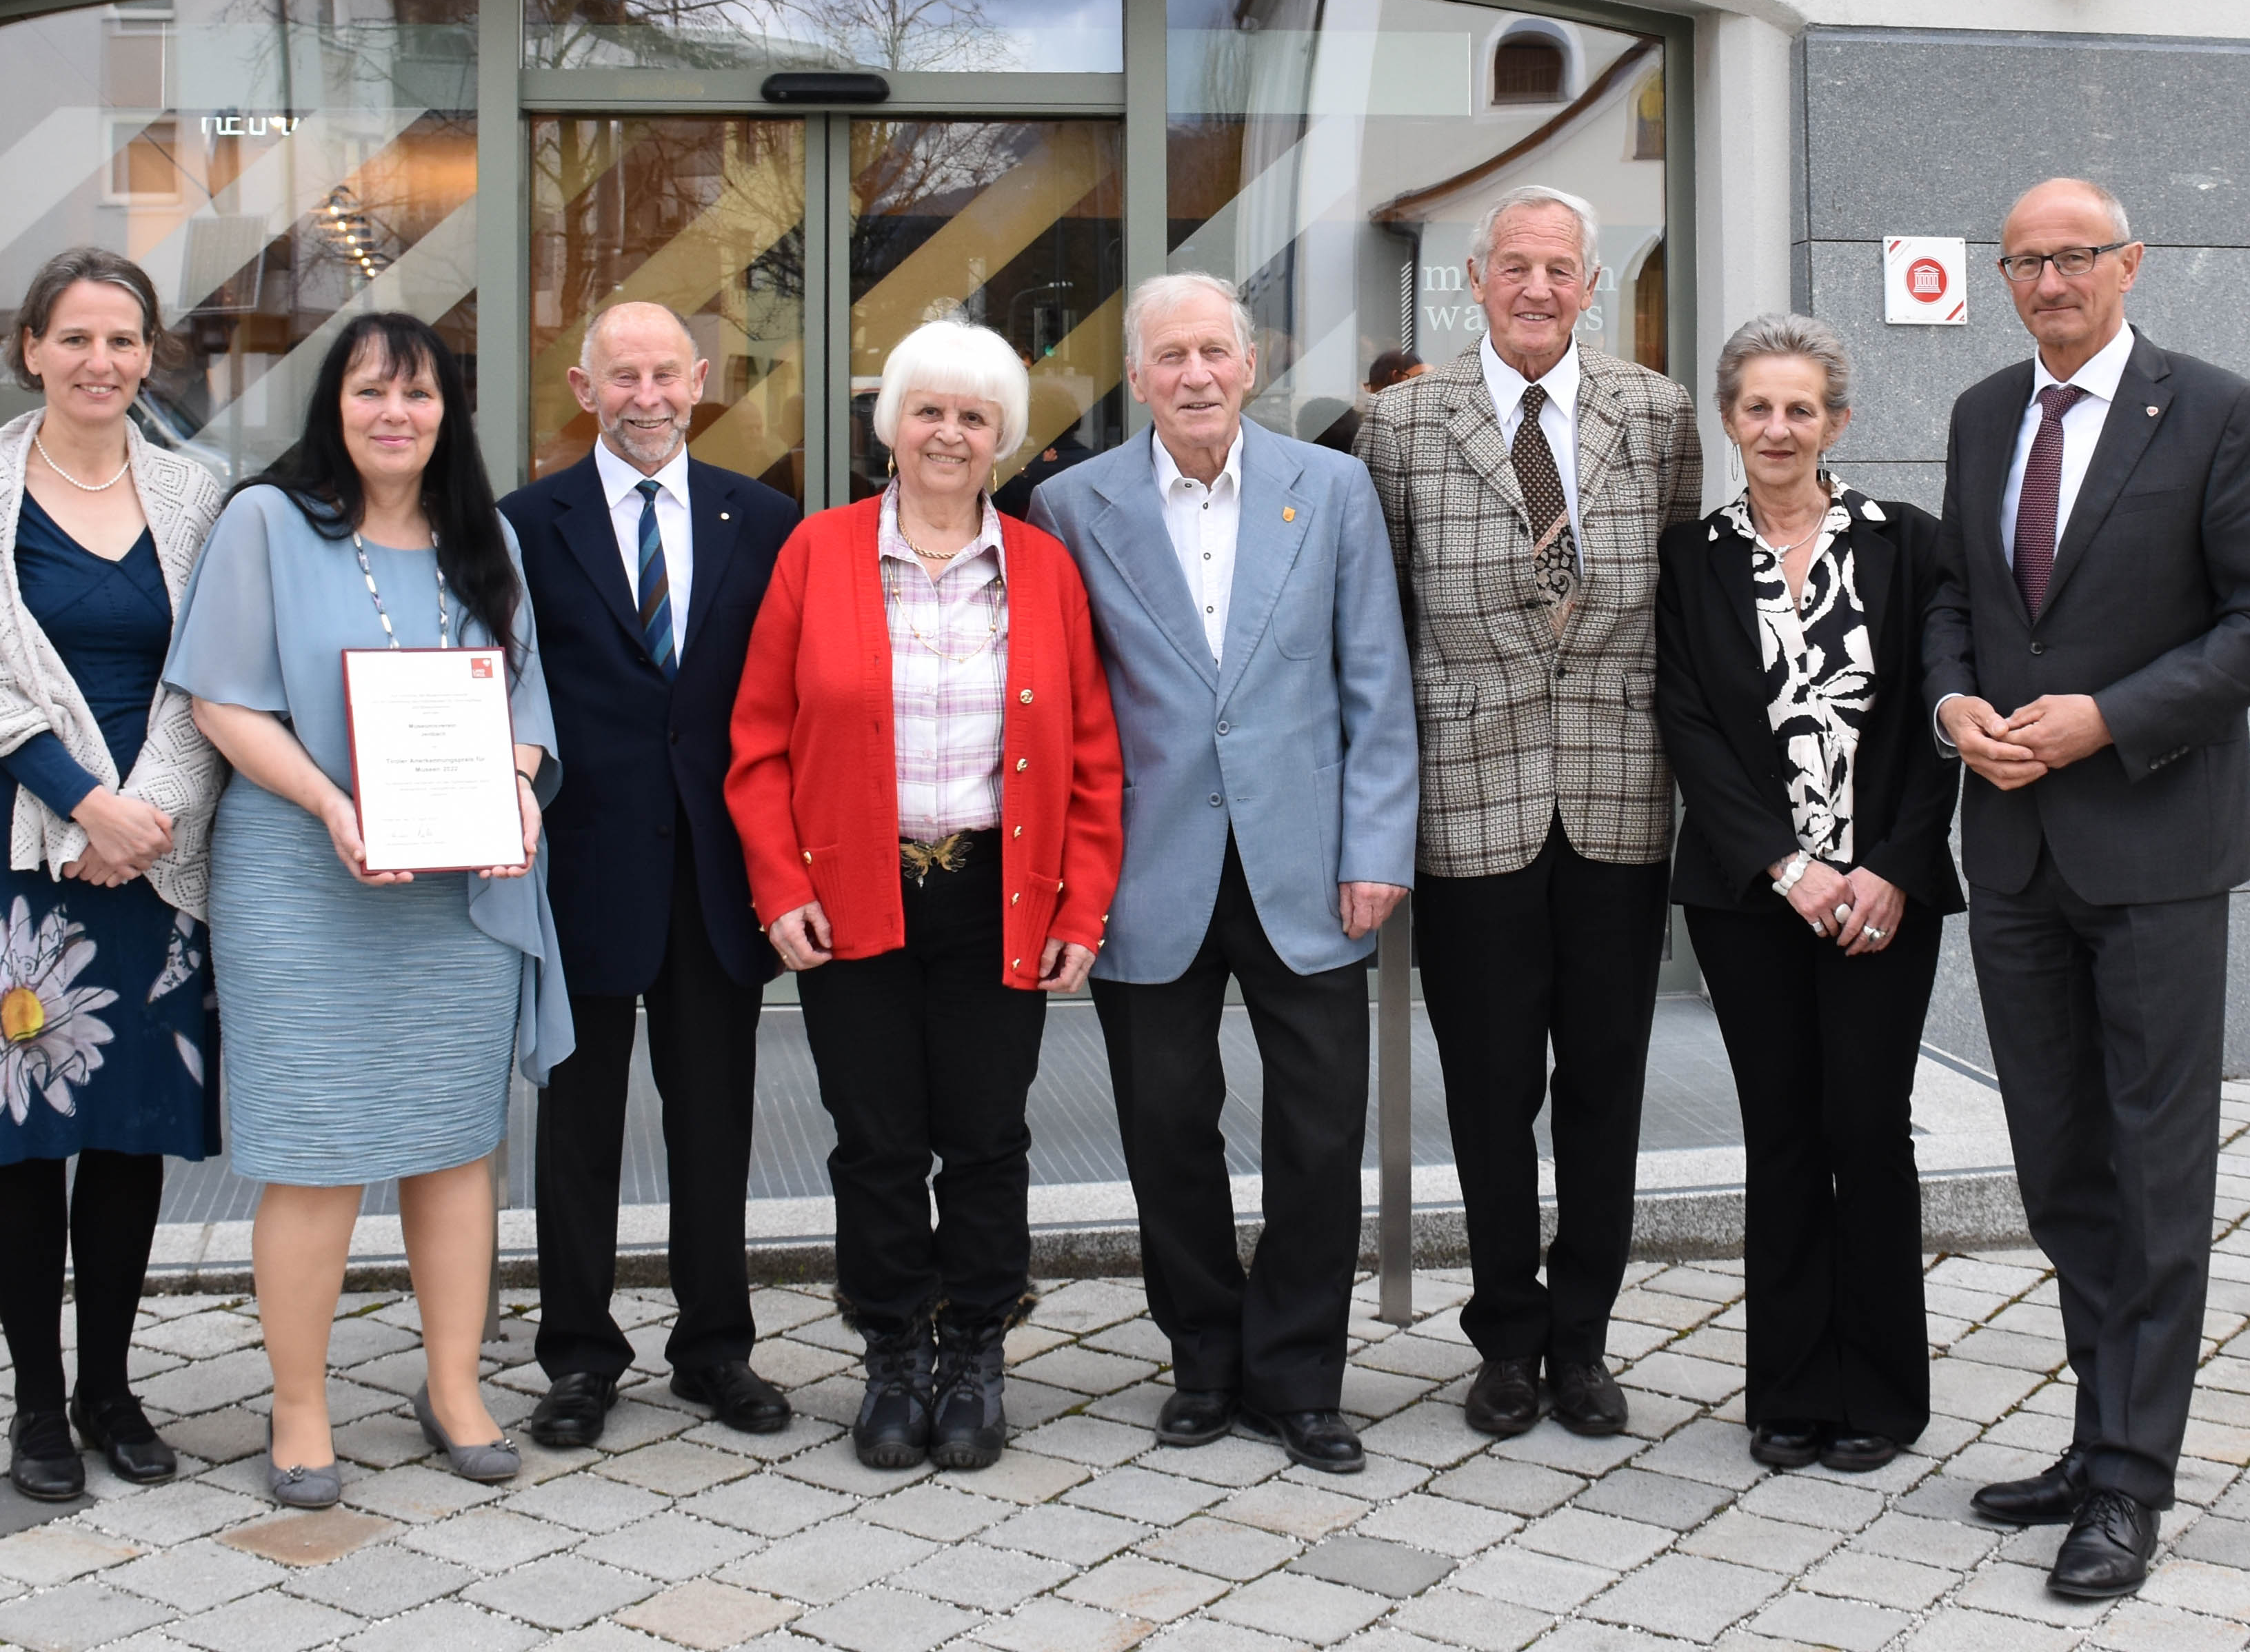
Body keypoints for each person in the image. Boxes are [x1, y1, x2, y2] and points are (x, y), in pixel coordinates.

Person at [1924, 178, 2250, 1601]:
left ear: (2128, 265)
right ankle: (2098, 1434)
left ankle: (2133, 1482)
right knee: (2057, 1163)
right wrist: (1951, 701)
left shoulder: (2213, 411)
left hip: (2151, 846)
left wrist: (2110, 718)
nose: (2046, 282)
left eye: (2071, 257)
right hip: (2016, 848)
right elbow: (1957, 599)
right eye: (2022, 261)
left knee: (2152, 1170)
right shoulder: (1978, 418)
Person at [166, 312, 569, 1508]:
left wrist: (517, 783)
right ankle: (299, 1408)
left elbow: (528, 697)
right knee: (318, 1150)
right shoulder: (267, 523)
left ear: (450, 411)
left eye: (420, 394)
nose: (396, 413)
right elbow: (219, 703)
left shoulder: (480, 534)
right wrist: (337, 806)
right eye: (370, 391)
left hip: (457, 890)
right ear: (332, 406)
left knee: (455, 1141)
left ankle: (452, 1387)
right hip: (301, 874)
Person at [729, 318, 1122, 1473]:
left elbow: (1093, 755)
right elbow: (755, 740)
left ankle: (977, 1354)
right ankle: (892, 1350)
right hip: (857, 891)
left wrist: (1079, 906)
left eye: (973, 415)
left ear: (1000, 438)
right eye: (927, 411)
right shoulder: (818, 553)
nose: (948, 433)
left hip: (998, 889)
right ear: (889, 427)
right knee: (874, 1141)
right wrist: (779, 885)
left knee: (987, 1137)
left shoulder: (1043, 569)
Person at [1039, 276, 1416, 1475]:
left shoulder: (1335, 488)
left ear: (1248, 364)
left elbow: (1376, 681)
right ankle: (1202, 1359)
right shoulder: (1068, 504)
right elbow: (1065, 712)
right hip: (1147, 867)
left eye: (1213, 351)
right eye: (1168, 356)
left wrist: (1373, 847)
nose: (1193, 374)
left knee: (1318, 1130)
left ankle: (1300, 1376)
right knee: (1165, 1131)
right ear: (1138, 377)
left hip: (1306, 866)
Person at [1362, 183, 1702, 1440]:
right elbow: (1378, 630)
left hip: (1617, 794)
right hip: (1467, 799)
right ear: (1474, 278)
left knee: (1606, 1081)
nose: (1537, 289)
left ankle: (1584, 1339)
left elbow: (1680, 602)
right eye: (1515, 267)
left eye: (1560, 269)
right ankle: (1503, 1336)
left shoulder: (1657, 415)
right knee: (1488, 1085)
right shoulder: (1399, 425)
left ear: (1590, 285)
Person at [0, 248, 230, 1502]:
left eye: (124, 340)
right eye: (77, 339)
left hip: (155, 856)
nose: (101, 362)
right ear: (33, 350)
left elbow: (210, 675)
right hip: (19, 844)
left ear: (151, 353)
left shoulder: (198, 491)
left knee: (125, 1136)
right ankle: (37, 1404)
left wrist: (144, 814)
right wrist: (84, 809)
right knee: (23, 1137)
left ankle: (111, 1385)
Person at [1653, 314, 1962, 1473]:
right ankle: (1786, 1390)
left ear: (1836, 421)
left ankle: (1879, 1395)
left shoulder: (1908, 545)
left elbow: (1940, 721)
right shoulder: (1692, 561)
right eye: (1755, 408)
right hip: (1750, 900)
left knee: (1866, 1130)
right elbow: (1688, 725)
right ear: (1728, 419)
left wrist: (1883, 867)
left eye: (1800, 409)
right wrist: (1790, 868)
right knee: (1781, 1135)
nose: (1776, 429)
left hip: (1887, 893)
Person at [500, 302, 802, 1447]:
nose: (644, 396)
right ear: (583, 389)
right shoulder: (527, 523)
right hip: (577, 870)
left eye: (663, 374)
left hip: (718, 873)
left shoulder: (764, 518)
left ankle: (714, 1349)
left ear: (700, 380)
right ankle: (578, 1357)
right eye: (620, 376)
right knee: (574, 1129)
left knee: (715, 1122)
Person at [1311, 349, 1426, 456]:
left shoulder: (1356, 414)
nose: (1424, 385)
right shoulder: (1376, 421)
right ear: (1396, 376)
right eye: (1419, 377)